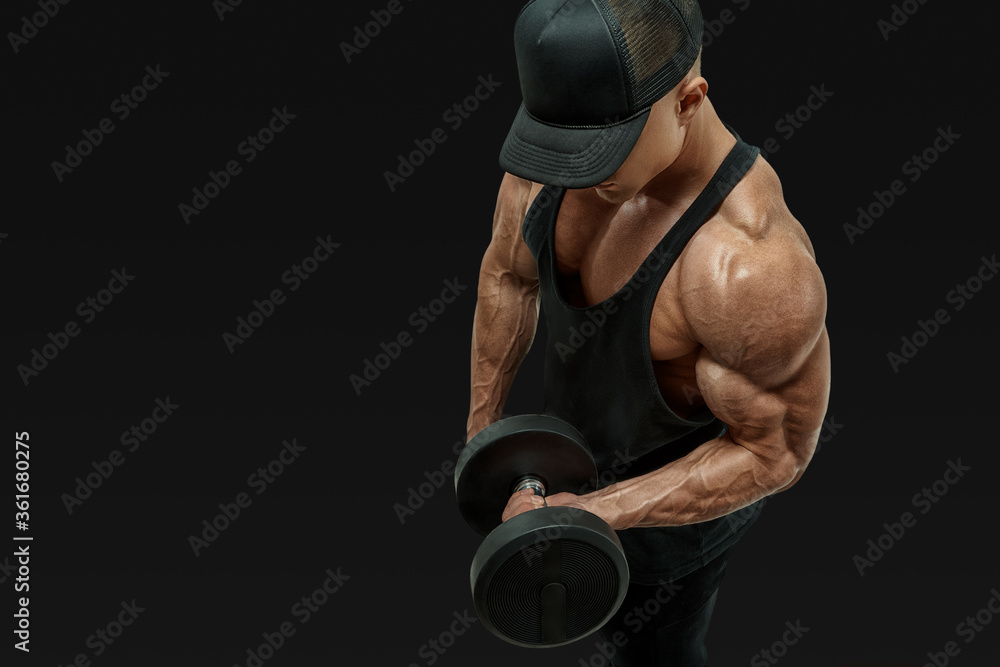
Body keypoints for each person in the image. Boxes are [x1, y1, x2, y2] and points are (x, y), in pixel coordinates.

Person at [465, 0, 831, 664]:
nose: (570, 170)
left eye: (599, 149)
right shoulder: (558, 150)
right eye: (558, 145)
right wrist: (483, 435)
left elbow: (776, 451)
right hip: (569, 464)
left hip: (670, 534)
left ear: (688, 101)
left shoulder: (749, 268)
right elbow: (509, 276)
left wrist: (598, 513)